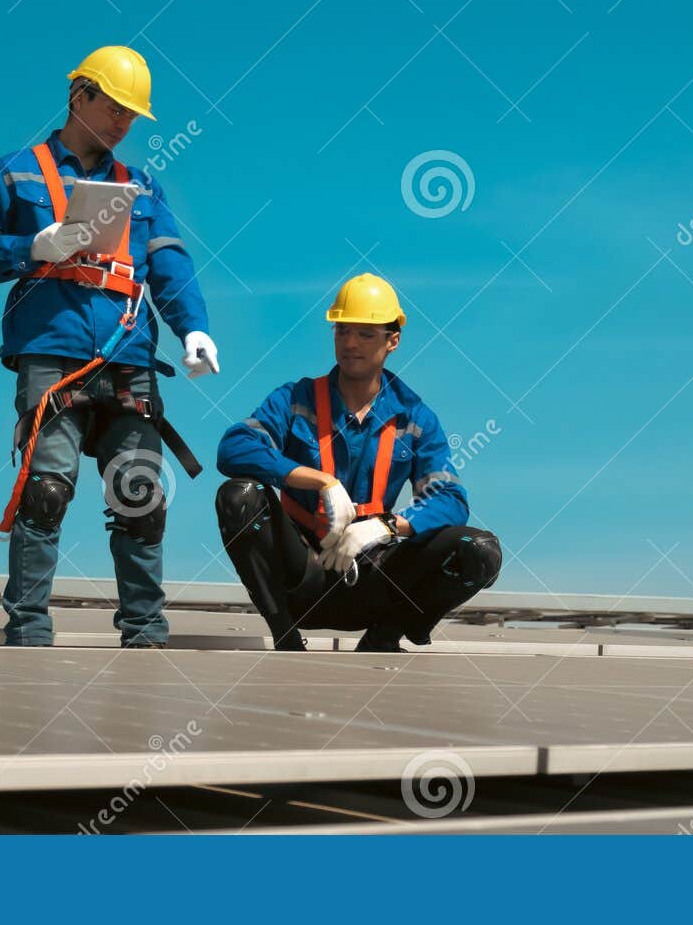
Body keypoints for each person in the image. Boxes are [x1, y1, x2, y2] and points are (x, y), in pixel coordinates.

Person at [0, 45, 219, 648]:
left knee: (140, 497)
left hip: (129, 356)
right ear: (80, 96)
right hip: (52, 352)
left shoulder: (142, 187)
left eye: (132, 114)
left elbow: (169, 265)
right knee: (46, 492)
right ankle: (28, 632)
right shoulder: (15, 172)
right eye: (115, 108)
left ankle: (146, 636)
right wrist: (29, 248)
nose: (124, 123)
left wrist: (194, 328)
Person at [214, 274, 501, 652]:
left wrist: (387, 526)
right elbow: (234, 447)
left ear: (393, 340)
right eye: (342, 331)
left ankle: (385, 637)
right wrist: (321, 481)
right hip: (303, 577)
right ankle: (285, 638)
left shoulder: (415, 417)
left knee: (479, 549)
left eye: (365, 334)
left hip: (376, 580)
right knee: (238, 495)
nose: (350, 343)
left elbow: (450, 499)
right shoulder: (296, 399)